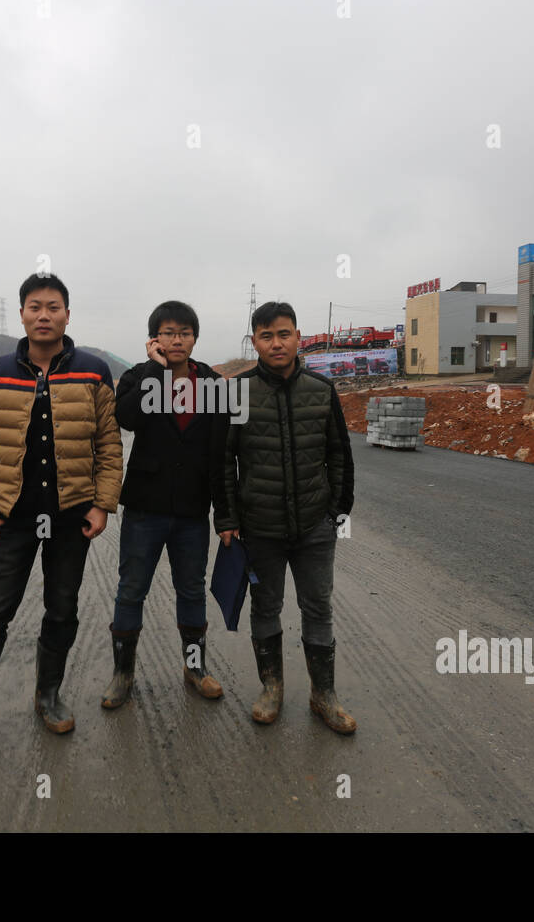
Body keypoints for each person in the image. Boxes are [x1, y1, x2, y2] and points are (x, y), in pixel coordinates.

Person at [0, 272, 123, 763]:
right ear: (22, 314)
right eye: (35, 307)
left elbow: (108, 445)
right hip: (11, 518)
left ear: (67, 313)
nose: (44, 315)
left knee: (62, 608)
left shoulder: (93, 371)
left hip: (70, 519)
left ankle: (48, 696)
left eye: (54, 306)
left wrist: (102, 503)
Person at [213, 301, 357, 734]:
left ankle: (323, 695)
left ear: (298, 336)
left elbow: (339, 454)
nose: (276, 343)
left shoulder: (321, 389)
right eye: (266, 335)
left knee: (318, 607)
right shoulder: (235, 392)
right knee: (266, 606)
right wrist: (227, 519)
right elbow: (224, 462)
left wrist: (337, 511)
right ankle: (271, 688)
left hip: (315, 524)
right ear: (254, 340)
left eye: (284, 334)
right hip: (261, 526)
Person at [101, 301, 227, 709]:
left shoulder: (211, 382)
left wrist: (224, 513)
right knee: (131, 591)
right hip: (145, 509)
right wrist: (156, 370)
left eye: (185, 332)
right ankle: (123, 674)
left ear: (195, 337)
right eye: (169, 332)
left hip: (192, 512)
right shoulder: (138, 377)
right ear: (155, 338)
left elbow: (222, 453)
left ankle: (195, 669)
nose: (178, 339)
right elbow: (128, 419)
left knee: (191, 591)